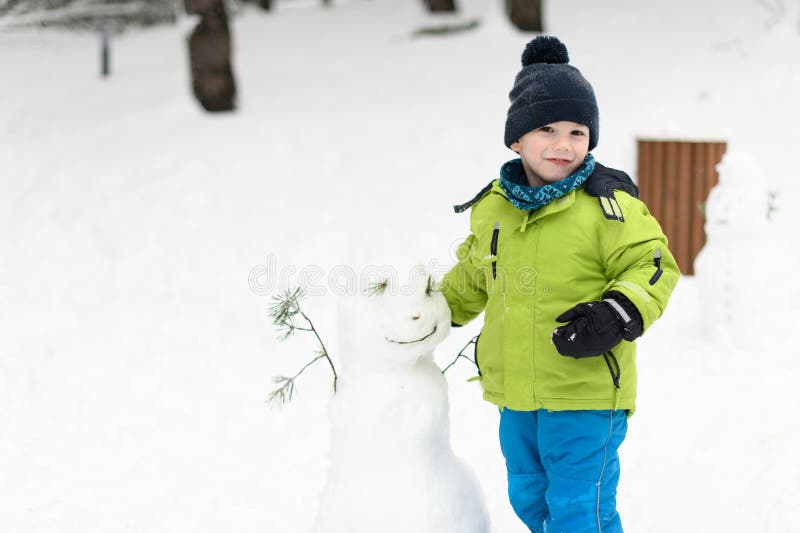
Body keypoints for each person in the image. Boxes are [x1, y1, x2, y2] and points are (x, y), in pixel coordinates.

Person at [441, 36, 679, 533]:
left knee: (579, 510)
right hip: (515, 395)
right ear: (516, 140)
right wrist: (423, 314)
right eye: (546, 129)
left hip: (585, 394)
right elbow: (471, 278)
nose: (563, 144)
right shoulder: (494, 208)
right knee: (530, 498)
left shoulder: (608, 207)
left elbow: (653, 264)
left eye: (577, 131)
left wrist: (616, 313)